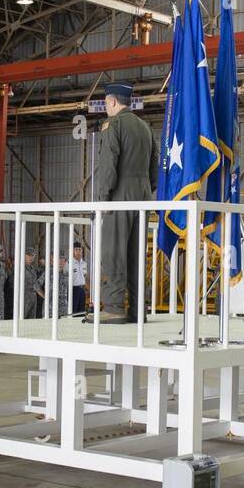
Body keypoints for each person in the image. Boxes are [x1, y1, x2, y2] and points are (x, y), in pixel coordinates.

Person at [88, 81, 157, 323]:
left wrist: (103, 199)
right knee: (137, 252)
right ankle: (138, 310)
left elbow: (108, 165)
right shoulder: (144, 127)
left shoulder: (113, 124)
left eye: (106, 103)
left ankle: (115, 307)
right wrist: (146, 190)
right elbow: (154, 168)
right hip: (144, 195)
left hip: (120, 194)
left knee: (113, 250)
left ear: (112, 101)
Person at [69, 243, 87, 314]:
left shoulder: (84, 263)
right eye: (76, 250)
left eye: (80, 250)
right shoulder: (69, 263)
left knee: (81, 311)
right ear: (73, 251)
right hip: (73, 290)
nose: (78, 252)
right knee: (74, 310)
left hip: (82, 289)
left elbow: (84, 276)